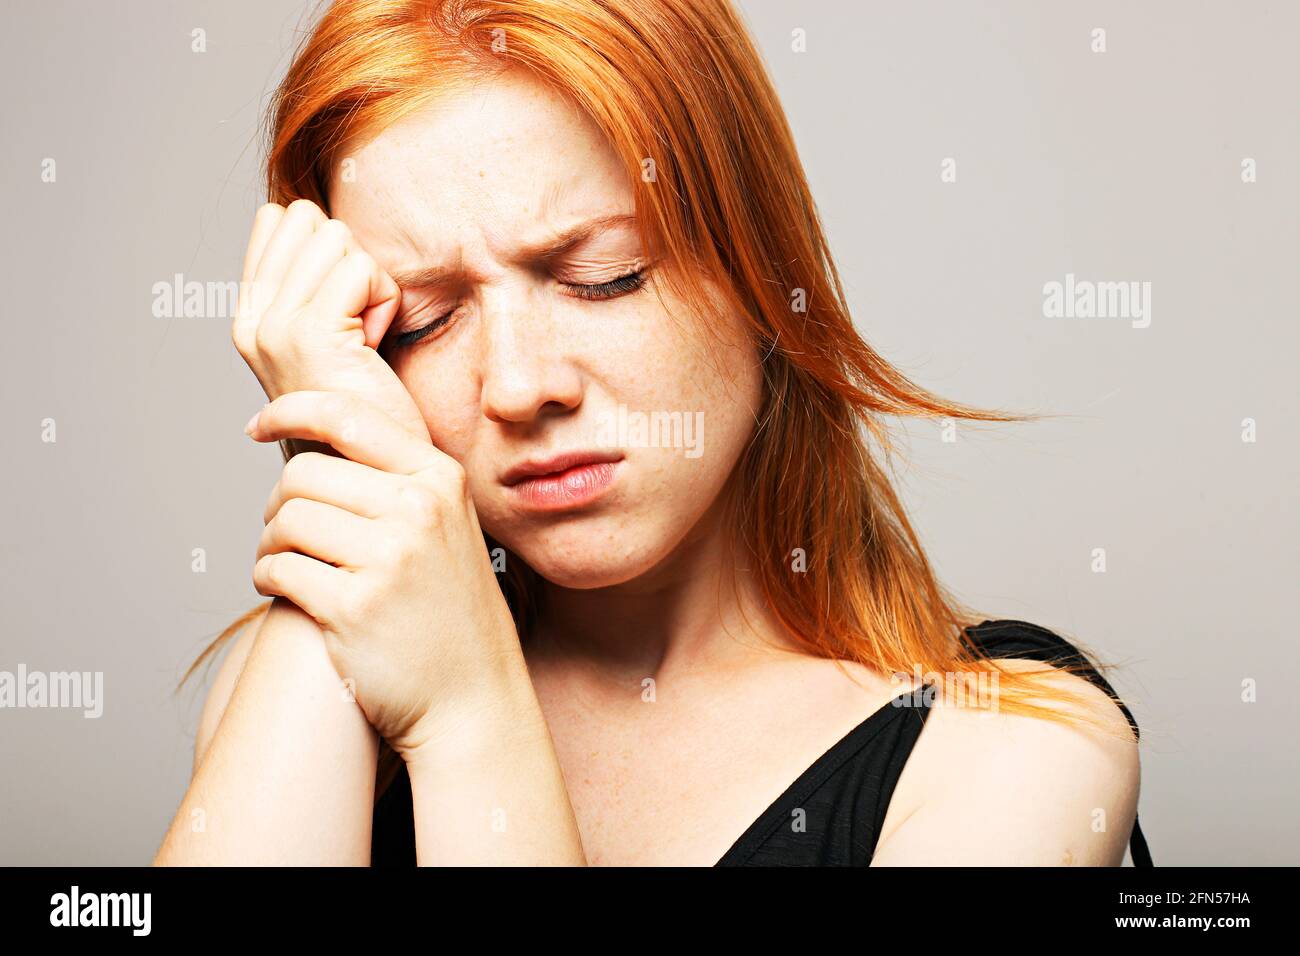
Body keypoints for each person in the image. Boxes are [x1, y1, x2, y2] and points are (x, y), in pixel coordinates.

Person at [155, 0, 1149, 866]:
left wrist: (468, 717)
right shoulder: (309, 676)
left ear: (760, 267)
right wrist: (343, 462)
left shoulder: (1017, 749)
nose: (519, 384)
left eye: (605, 276)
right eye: (422, 316)